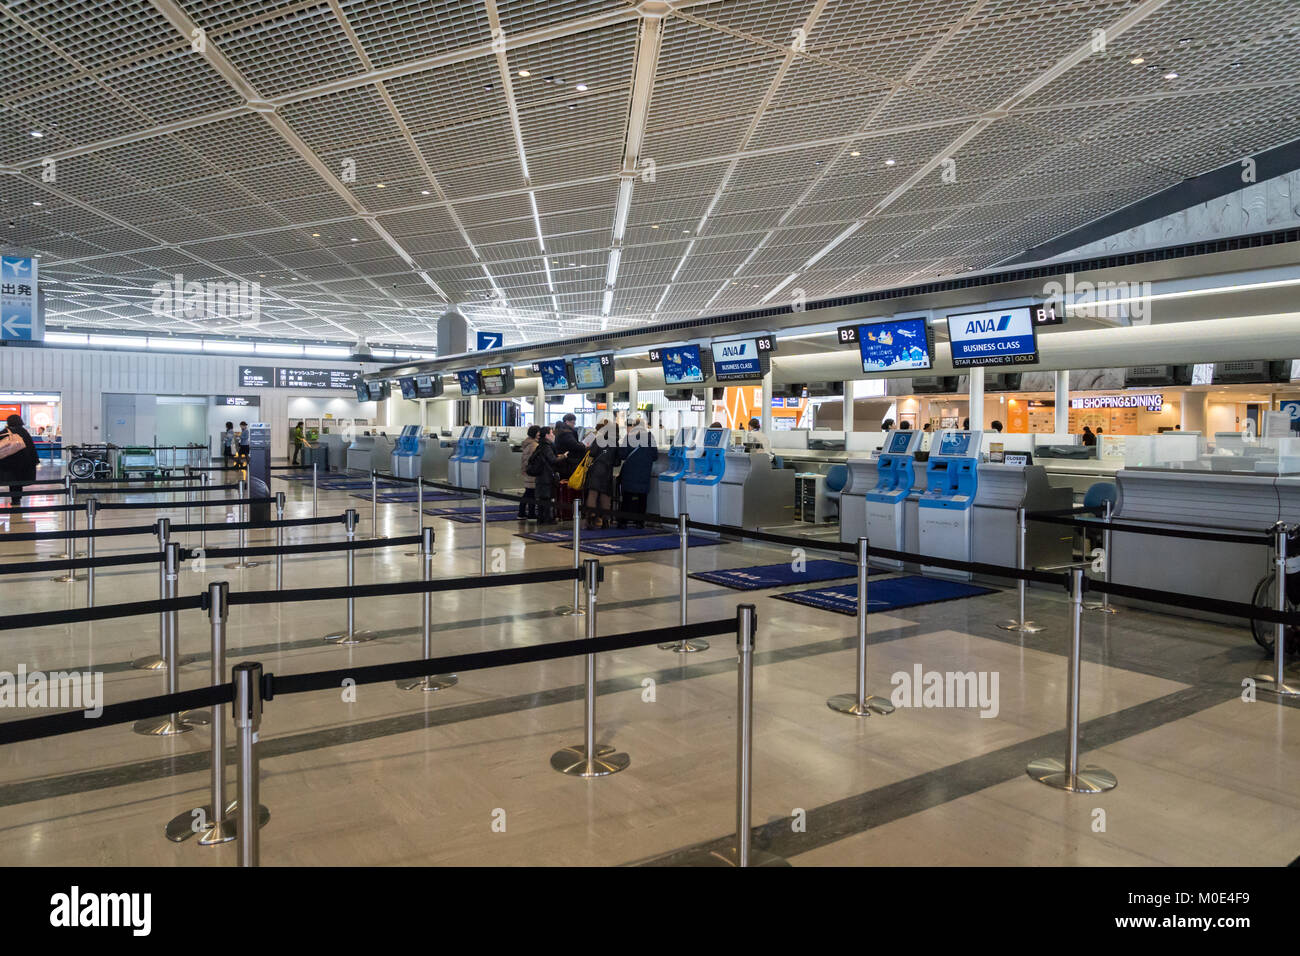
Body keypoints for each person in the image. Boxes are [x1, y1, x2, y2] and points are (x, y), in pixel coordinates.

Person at [618, 418, 655, 528]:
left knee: (627, 498)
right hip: (644, 472)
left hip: (630, 472)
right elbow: (655, 456)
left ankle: (623, 522)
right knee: (642, 498)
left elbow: (622, 455)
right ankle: (640, 522)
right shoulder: (650, 438)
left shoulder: (629, 437)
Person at [583, 420, 619, 530]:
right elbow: (617, 462)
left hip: (596, 470)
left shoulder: (599, 439)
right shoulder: (615, 442)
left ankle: (591, 518)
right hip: (607, 471)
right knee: (605, 495)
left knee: (593, 494)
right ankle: (606, 520)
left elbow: (593, 453)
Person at [0, 414, 39, 506]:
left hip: (9, 461)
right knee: (19, 479)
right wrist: (34, 460)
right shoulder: (24, 432)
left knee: (12, 480)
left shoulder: (5, 432)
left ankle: (15, 498)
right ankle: (18, 498)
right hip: (23, 462)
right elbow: (31, 447)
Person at [532, 426, 564, 524]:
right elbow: (552, 460)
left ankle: (541, 519)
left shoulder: (540, 445)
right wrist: (563, 457)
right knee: (547, 498)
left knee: (542, 498)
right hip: (546, 476)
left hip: (541, 476)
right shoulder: (546, 446)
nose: (553, 435)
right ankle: (547, 519)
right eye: (551, 433)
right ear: (546, 435)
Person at [518, 425, 540, 519]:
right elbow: (534, 460)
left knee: (528, 493)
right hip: (532, 473)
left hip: (527, 471)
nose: (540, 435)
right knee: (531, 493)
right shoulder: (534, 445)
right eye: (538, 433)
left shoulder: (527, 443)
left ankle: (522, 512)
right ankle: (530, 514)